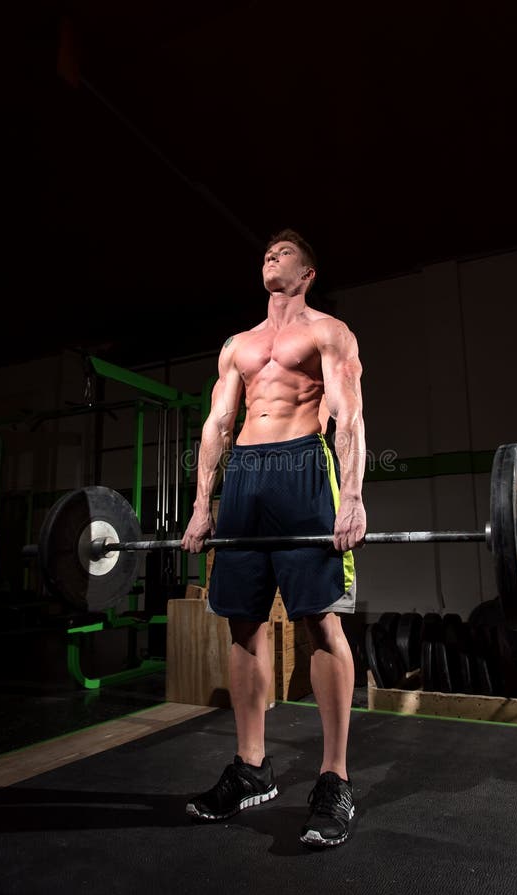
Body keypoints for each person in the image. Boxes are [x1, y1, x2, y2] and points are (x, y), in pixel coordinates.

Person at [181, 228, 366, 847]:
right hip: (246, 478)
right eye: (266, 253)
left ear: (308, 272)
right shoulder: (237, 345)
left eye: (284, 253)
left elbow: (348, 414)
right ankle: (252, 767)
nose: (271, 257)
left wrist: (354, 494)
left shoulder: (327, 331)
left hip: (303, 472)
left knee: (320, 622)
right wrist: (202, 505)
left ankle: (334, 778)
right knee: (243, 623)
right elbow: (217, 423)